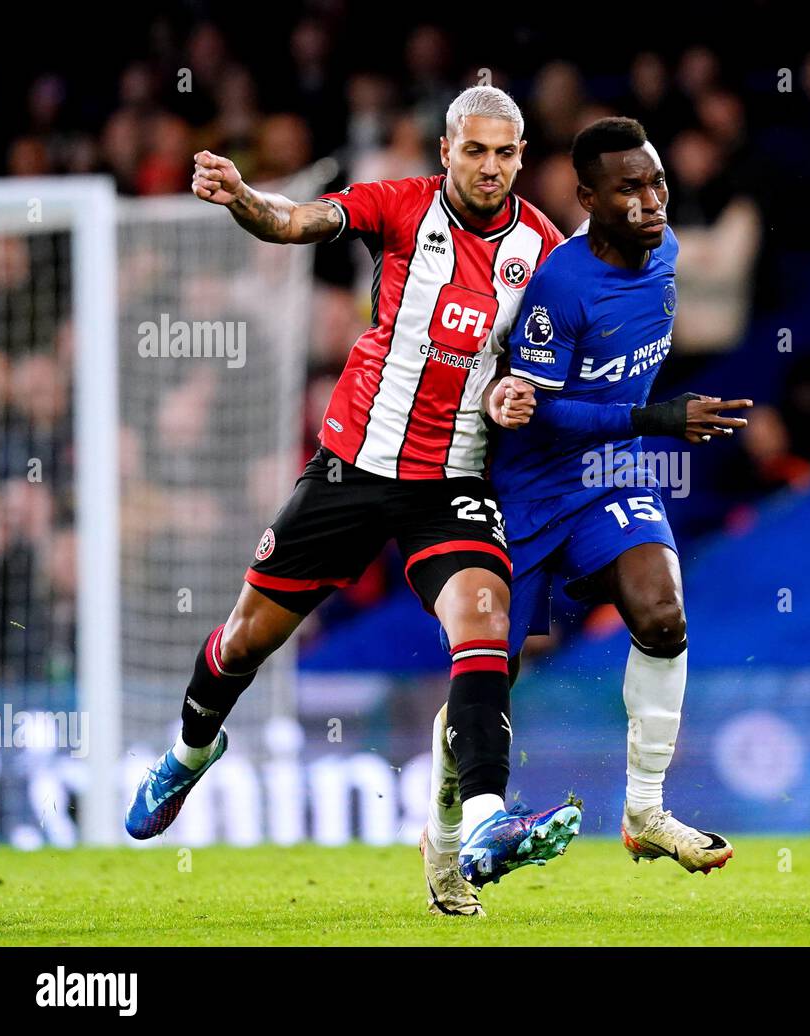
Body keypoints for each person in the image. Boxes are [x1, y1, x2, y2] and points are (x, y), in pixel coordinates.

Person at [123, 86, 579, 915]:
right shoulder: (400, 206)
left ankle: (482, 820)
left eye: (504, 153)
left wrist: (516, 395)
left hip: (454, 483)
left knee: (485, 622)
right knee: (246, 638)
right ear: (446, 151)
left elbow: (539, 372)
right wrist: (245, 200)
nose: (489, 166)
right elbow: (294, 222)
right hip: (353, 469)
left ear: (520, 157)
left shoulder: (541, 252)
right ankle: (188, 755)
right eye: (473, 150)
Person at [425, 118, 748, 911]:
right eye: (629, 189)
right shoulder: (559, 290)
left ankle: (643, 809)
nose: (650, 202)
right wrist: (655, 419)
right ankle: (444, 842)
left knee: (663, 612)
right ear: (588, 200)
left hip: (611, 480)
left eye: (658, 183)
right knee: (488, 676)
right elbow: (537, 412)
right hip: (530, 492)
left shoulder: (668, 251)